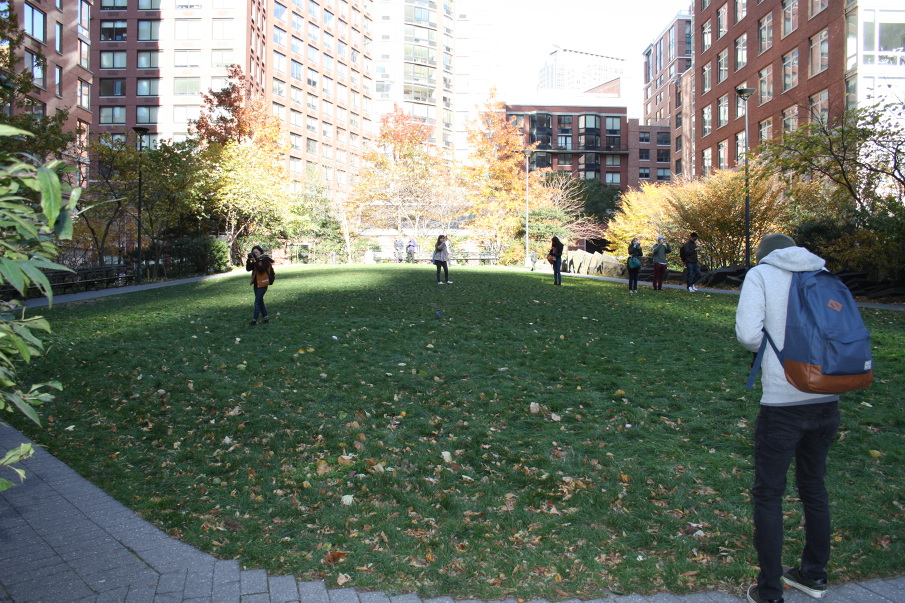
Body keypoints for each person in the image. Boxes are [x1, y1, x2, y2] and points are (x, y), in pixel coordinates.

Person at [735, 233, 840, 603]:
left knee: (769, 494)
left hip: (783, 402)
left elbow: (748, 334)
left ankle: (770, 590)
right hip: (827, 396)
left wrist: (769, 343)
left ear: (765, 256)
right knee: (814, 488)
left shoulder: (761, 275)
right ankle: (814, 574)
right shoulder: (823, 271)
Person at [245, 245, 275, 326]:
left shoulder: (265, 259)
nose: (255, 254)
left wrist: (255, 261)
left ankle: (254, 320)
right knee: (260, 301)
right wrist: (249, 261)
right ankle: (266, 318)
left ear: (260, 252)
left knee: (257, 302)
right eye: (253, 252)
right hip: (256, 283)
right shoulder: (256, 260)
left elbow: (261, 269)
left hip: (263, 283)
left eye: (256, 252)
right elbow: (248, 269)